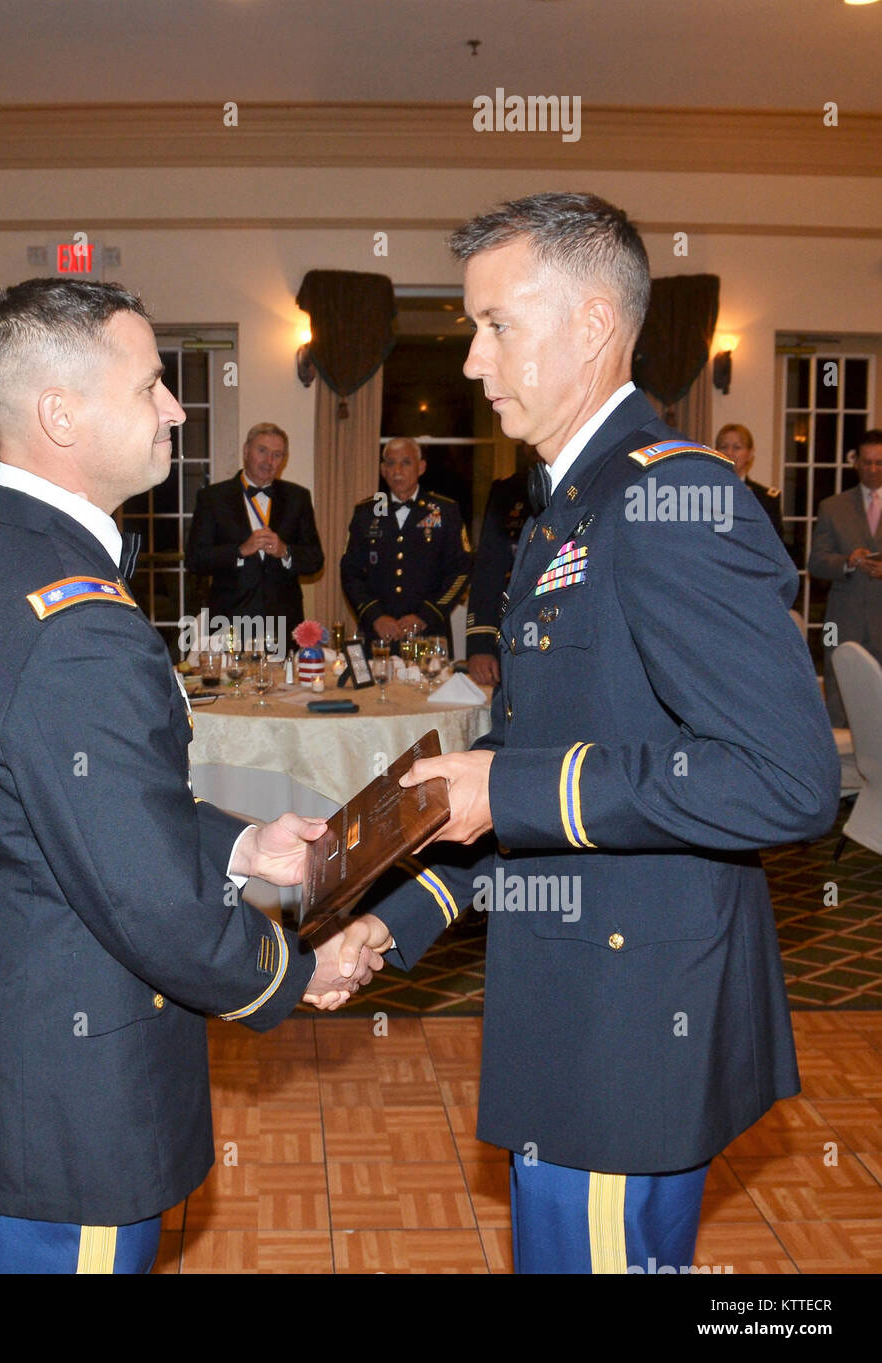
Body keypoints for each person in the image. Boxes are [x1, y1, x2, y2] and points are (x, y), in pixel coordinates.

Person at [363, 193, 839, 1274]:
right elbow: (526, 772)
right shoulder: (569, 508)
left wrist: (512, 791)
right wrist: (396, 925)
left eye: (496, 325)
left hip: (628, 1024)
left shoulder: (673, 503)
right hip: (577, 992)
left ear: (590, 324)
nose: (475, 364)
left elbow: (788, 779)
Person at [0, 279, 389, 1275]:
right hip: (72, 1096)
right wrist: (294, 973)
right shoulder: (73, 620)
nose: (176, 410)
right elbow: (137, 892)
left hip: (24, 1039)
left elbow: (86, 817)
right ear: (61, 413)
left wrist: (236, 845)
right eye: (149, 388)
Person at [185, 421, 323, 644]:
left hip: (283, 623)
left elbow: (316, 560)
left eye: (277, 455)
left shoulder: (298, 497)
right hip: (229, 620)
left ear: (283, 460)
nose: (269, 461)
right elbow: (195, 559)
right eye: (262, 451)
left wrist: (286, 552)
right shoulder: (213, 498)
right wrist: (239, 551)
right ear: (246, 451)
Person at [339, 437, 472, 644]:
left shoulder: (444, 511)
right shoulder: (368, 510)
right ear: (383, 470)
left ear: (421, 467)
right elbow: (350, 572)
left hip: (428, 634)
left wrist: (425, 616)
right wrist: (374, 616)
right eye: (391, 463)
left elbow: (460, 572)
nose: (397, 470)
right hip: (378, 635)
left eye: (406, 462)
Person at [808, 431, 882, 727]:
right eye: (867, 463)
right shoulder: (833, 507)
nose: (873, 469)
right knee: (840, 697)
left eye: (880, 463)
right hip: (844, 620)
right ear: (856, 463)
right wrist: (848, 562)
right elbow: (816, 562)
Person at [465, 465, 531, 686]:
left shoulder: (593, 479)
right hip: (509, 640)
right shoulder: (509, 491)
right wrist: (480, 645)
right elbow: (488, 571)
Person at [715, 422, 784, 539]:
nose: (729, 453)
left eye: (737, 447)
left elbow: (773, 545)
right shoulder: (703, 492)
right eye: (723, 447)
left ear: (750, 454)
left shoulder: (766, 499)